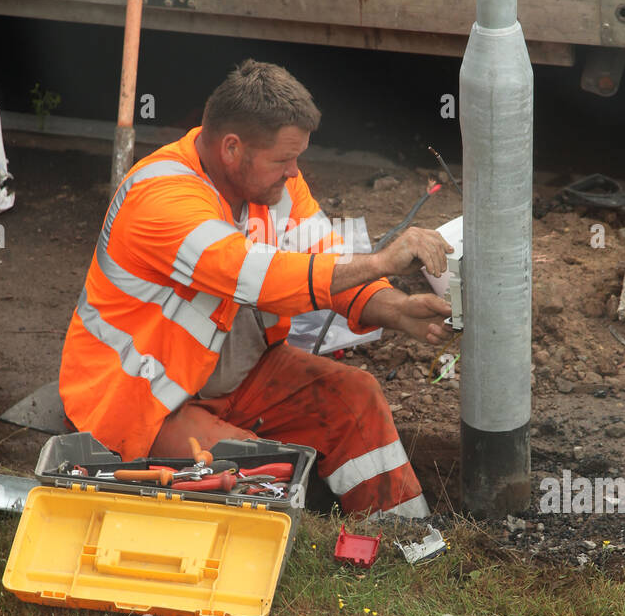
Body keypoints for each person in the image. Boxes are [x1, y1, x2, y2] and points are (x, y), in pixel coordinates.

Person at [59, 60, 453, 526]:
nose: (294, 172)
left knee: (356, 399)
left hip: (240, 377)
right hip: (149, 402)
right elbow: (256, 275)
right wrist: (382, 260)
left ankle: (408, 541)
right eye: (283, 160)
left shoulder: (272, 185)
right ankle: (309, 556)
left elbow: (326, 256)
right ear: (232, 148)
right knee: (261, 474)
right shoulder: (162, 198)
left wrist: (398, 308)